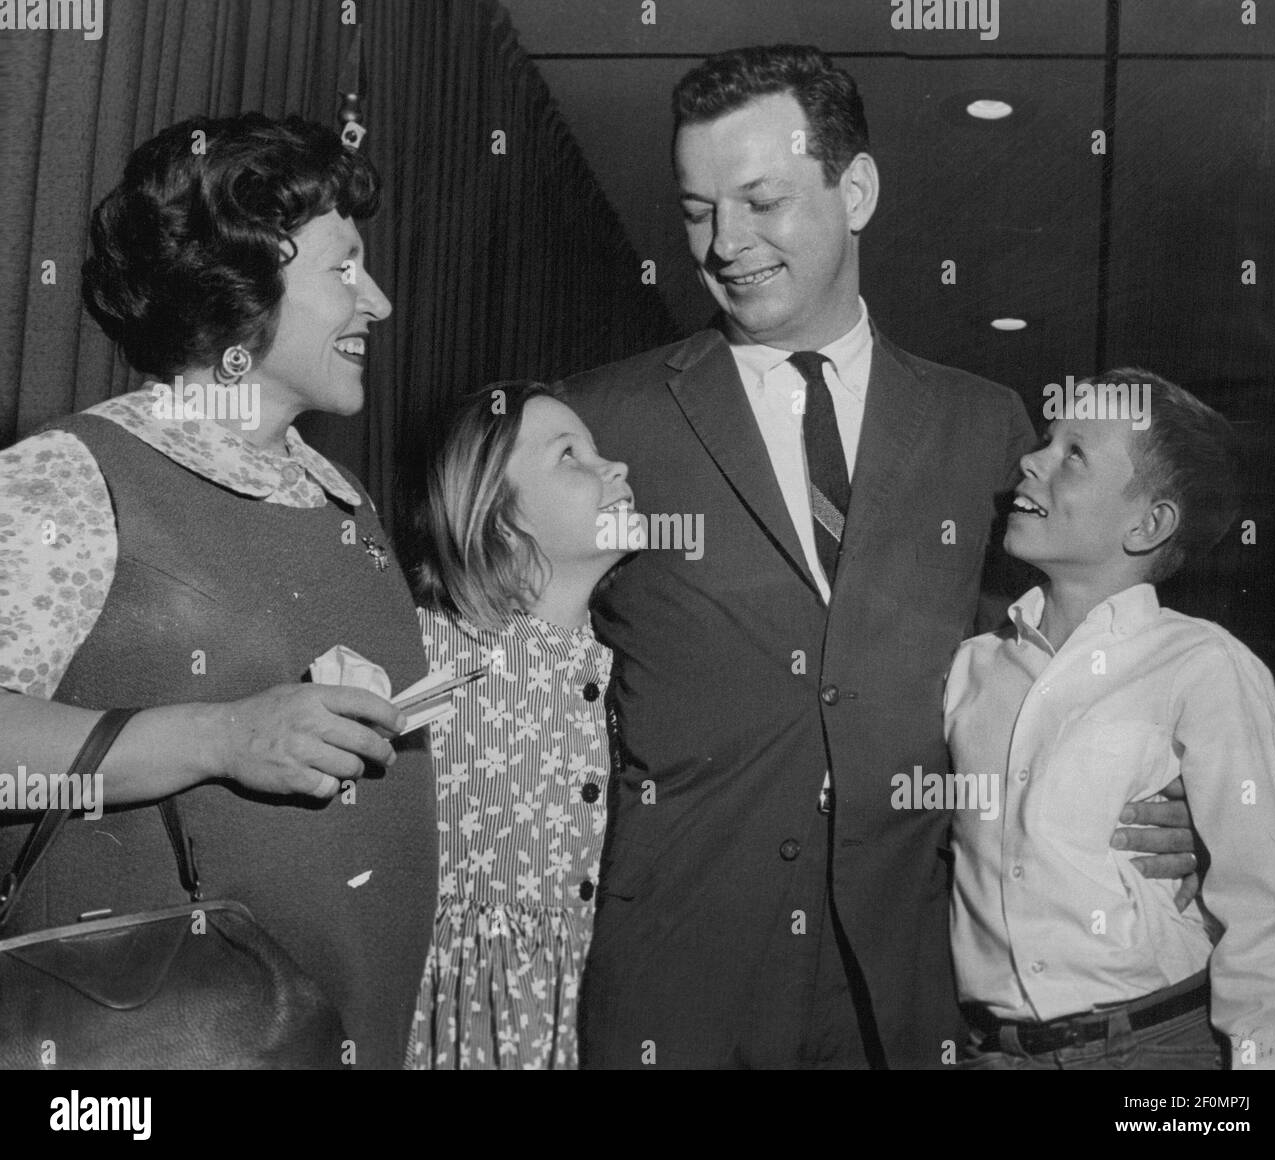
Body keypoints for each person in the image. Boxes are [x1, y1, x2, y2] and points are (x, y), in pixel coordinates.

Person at [558, 44, 1197, 1069]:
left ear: (853, 189)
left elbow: (1064, 666)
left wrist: (1183, 794)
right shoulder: (595, 423)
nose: (725, 243)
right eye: (694, 209)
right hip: (675, 990)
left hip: (914, 997)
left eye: (761, 200)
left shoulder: (987, 428)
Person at [0, 113, 434, 1069]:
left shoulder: (339, 498)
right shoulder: (72, 474)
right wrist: (221, 735)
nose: (381, 302)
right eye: (345, 267)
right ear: (238, 281)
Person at [946, 370, 1275, 1071]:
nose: (1031, 460)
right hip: (991, 1052)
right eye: (1047, 441)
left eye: (1074, 453)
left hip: (1157, 1048)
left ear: (1149, 524)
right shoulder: (972, 668)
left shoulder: (1203, 666)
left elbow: (1263, 908)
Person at [402, 382, 635, 1068]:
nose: (614, 468)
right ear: (498, 517)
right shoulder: (425, 652)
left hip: (590, 1027)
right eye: (571, 456)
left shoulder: (632, 671)